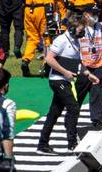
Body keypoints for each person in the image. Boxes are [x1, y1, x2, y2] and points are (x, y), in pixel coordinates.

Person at [41, 13, 96, 155]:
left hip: (65, 79)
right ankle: (72, 143)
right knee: (73, 107)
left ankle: (43, 143)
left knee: (54, 112)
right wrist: (65, 72)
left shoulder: (76, 41)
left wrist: (88, 74)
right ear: (71, 29)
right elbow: (49, 59)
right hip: (57, 80)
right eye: (80, 30)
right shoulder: (61, 40)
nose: (82, 33)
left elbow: (77, 62)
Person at [77, 7, 102, 131]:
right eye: (93, 13)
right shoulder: (79, 28)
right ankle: (71, 120)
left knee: (97, 96)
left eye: (97, 13)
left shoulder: (100, 27)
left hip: (98, 67)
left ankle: (97, 122)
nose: (96, 16)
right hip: (83, 67)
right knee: (77, 97)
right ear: (85, 15)